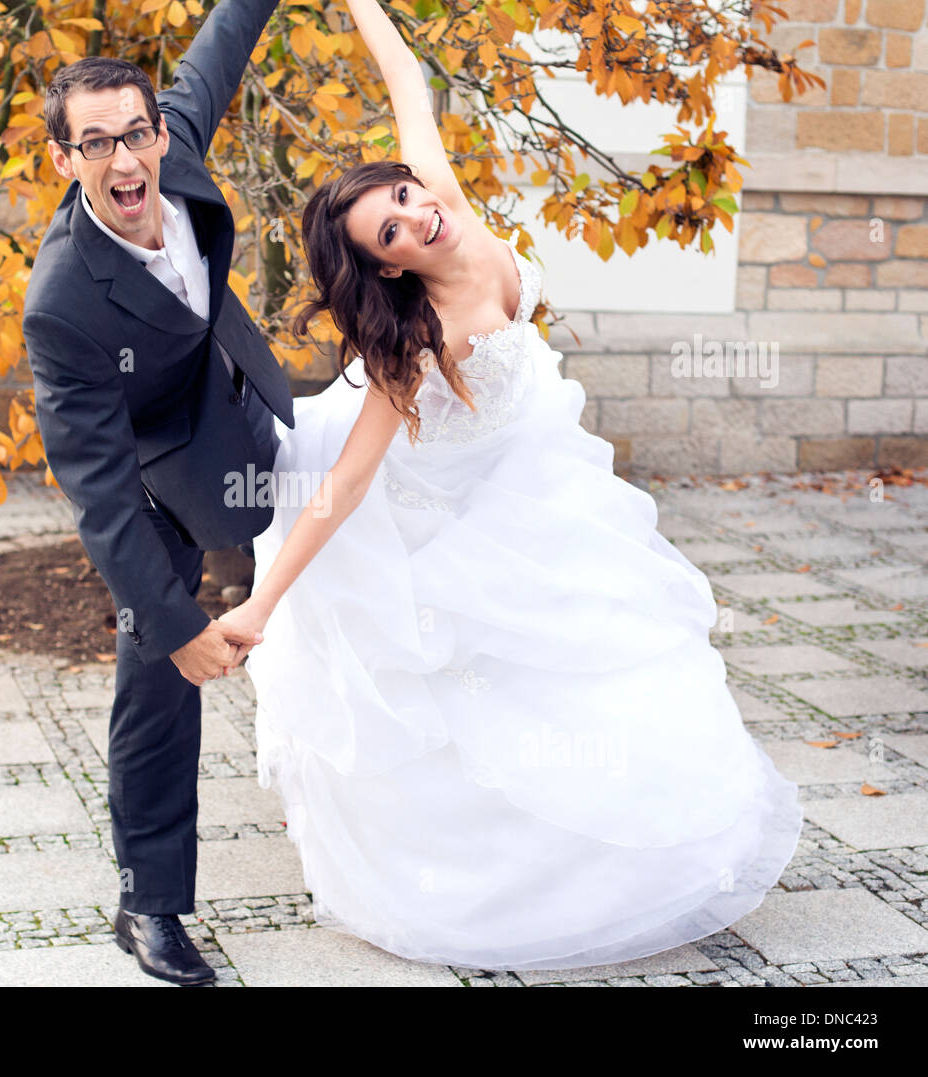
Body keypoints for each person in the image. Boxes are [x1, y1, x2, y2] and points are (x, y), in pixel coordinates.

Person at [218, 0, 803, 971]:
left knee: (602, 644)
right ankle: (477, 877)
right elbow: (351, 484)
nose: (415, 217)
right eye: (391, 234)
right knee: (468, 670)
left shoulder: (445, 193)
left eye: (401, 199)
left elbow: (406, 82)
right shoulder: (419, 346)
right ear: (389, 269)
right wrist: (261, 605)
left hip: (527, 455)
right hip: (432, 491)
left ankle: (627, 853)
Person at [22, 0, 294, 986]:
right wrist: (176, 622)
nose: (125, 161)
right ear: (64, 160)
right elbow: (95, 492)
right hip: (157, 470)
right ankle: (149, 904)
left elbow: (220, 42)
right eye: (95, 144)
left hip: (242, 397)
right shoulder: (62, 307)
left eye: (135, 133)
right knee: (158, 664)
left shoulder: (171, 141)